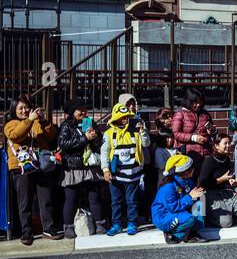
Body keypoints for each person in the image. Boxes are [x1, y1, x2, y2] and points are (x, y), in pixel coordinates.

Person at [4, 96, 58, 245]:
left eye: (26, 107)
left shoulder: (36, 122)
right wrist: (29, 121)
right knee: (25, 201)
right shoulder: (10, 124)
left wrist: (42, 120)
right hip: (21, 167)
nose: (24, 110)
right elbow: (16, 135)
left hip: (40, 164)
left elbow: (51, 135)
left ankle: (49, 228)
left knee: (45, 199)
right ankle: (26, 232)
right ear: (14, 110)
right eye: (20, 108)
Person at [58, 99, 106, 238]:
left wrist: (94, 137)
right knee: (70, 198)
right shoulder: (66, 126)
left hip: (90, 166)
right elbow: (63, 143)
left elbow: (99, 143)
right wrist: (84, 138)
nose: (84, 112)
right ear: (73, 112)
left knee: (94, 197)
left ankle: (99, 224)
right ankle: (68, 227)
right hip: (73, 167)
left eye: (85, 109)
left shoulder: (90, 123)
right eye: (80, 110)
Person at [101, 101, 147, 237]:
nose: (124, 119)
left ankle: (132, 222)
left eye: (127, 117)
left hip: (133, 173)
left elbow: (146, 143)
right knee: (116, 201)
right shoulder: (109, 133)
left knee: (132, 200)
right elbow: (104, 152)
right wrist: (105, 169)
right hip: (116, 174)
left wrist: (142, 131)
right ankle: (117, 224)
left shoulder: (135, 131)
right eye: (122, 117)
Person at [151, 153, 209, 244]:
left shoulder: (187, 181)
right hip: (164, 215)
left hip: (179, 210)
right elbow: (173, 207)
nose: (194, 169)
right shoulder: (168, 186)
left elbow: (192, 197)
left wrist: (198, 195)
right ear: (185, 171)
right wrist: (190, 197)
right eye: (191, 168)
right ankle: (172, 233)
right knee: (189, 219)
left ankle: (192, 232)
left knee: (200, 207)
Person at [198, 134, 237, 228]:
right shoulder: (209, 161)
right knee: (226, 223)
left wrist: (231, 181)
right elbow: (202, 183)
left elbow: (227, 178)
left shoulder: (226, 160)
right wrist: (219, 180)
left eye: (229, 143)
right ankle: (212, 218)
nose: (228, 145)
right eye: (225, 143)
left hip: (227, 193)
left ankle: (228, 217)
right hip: (213, 196)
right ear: (216, 145)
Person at [171, 89, 215, 163]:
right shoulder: (180, 114)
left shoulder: (205, 114)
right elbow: (175, 133)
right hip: (188, 154)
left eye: (200, 102)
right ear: (189, 101)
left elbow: (213, 133)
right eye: (196, 102)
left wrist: (212, 131)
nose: (198, 104)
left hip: (206, 152)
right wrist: (193, 137)